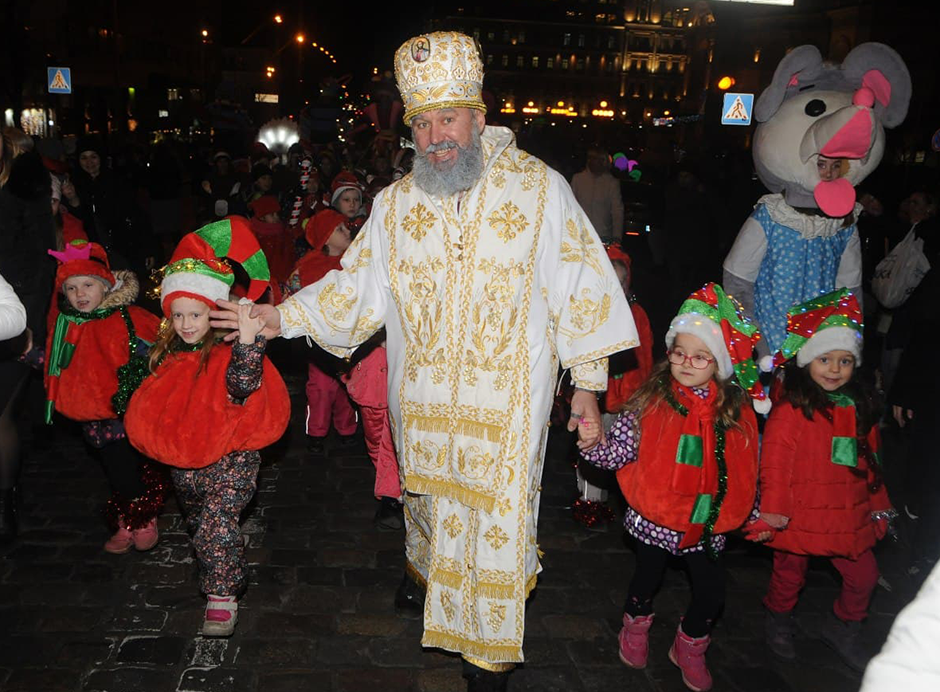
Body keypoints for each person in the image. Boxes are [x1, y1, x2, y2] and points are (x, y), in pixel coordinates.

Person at [210, 31, 637, 689]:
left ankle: (487, 668)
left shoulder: (539, 190)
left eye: (449, 117)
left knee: (495, 535)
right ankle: (432, 592)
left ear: (478, 115)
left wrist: (588, 385)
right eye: (424, 121)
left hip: (508, 410)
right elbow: (358, 288)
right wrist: (278, 317)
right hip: (426, 409)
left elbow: (579, 282)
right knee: (434, 522)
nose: (438, 135)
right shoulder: (398, 204)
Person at [580, 283, 766, 692]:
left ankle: (690, 645)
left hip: (705, 522)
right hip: (657, 520)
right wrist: (594, 445)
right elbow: (620, 454)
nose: (687, 362)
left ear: (717, 363)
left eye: (700, 356)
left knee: (712, 593)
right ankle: (635, 624)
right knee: (647, 578)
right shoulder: (650, 402)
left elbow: (744, 468)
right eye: (679, 352)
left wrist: (751, 513)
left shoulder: (734, 412)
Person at [124, 218, 290, 637]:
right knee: (202, 523)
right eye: (177, 315)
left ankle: (221, 597)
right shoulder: (171, 356)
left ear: (213, 311)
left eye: (195, 313)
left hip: (233, 456)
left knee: (215, 525)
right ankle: (225, 552)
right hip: (190, 464)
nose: (185, 323)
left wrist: (251, 344)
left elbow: (242, 383)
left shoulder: (231, 350)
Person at [744, 288, 893, 673]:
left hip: (847, 516)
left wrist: (879, 507)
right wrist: (774, 511)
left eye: (844, 361)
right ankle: (778, 618)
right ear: (808, 361)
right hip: (799, 514)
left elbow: (871, 465)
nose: (833, 368)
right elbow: (774, 464)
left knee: (866, 576)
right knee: (788, 574)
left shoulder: (859, 407)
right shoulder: (791, 410)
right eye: (824, 358)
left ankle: (844, 626)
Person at [43, 239, 166, 552]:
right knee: (114, 467)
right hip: (90, 413)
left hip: (125, 410)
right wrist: (30, 353)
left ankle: (141, 517)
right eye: (71, 288)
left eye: (87, 285)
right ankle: (129, 512)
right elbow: (58, 360)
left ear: (105, 285)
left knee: (124, 462)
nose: (79, 294)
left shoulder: (127, 317)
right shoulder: (68, 323)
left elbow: (157, 348)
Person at [0, 127, 57, 543]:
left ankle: (5, 505)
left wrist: (31, 327)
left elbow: (42, 263)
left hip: (13, 319)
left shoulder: (26, 194)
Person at [573, 244, 654, 530]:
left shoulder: (638, 314)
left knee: (624, 449)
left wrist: (644, 393)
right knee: (592, 442)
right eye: (611, 280)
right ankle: (589, 501)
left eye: (622, 281)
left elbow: (644, 357)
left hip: (628, 399)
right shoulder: (591, 312)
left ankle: (624, 498)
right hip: (597, 396)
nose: (617, 287)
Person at [286, 209, 357, 455]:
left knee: (346, 385)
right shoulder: (308, 266)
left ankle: (347, 428)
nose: (347, 231)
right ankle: (316, 430)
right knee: (320, 387)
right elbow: (295, 296)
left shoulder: (354, 262)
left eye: (346, 227)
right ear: (326, 237)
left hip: (348, 337)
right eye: (339, 229)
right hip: (318, 340)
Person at [342, 330, 403, 530]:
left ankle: (391, 498)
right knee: (376, 443)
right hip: (370, 384)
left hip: (397, 382)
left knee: (392, 445)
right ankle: (392, 491)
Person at [571, 145, 624, 245]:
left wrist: (617, 237)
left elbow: (617, 211)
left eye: (597, 159)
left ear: (603, 161)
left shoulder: (611, 183)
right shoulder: (578, 179)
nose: (593, 161)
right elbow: (571, 206)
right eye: (590, 158)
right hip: (580, 235)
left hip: (603, 236)